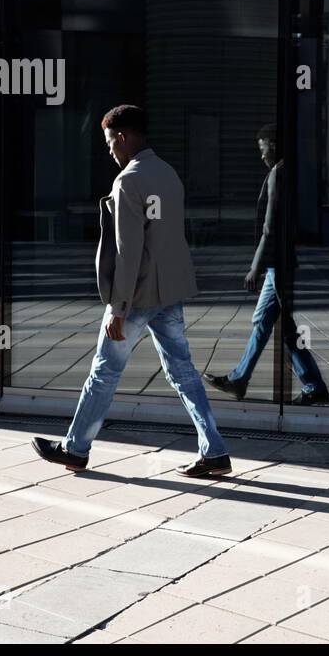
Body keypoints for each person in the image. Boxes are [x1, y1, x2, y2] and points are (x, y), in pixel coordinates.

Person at [31, 105, 231, 478]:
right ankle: (215, 451)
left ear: (122, 138)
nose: (109, 151)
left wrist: (118, 307)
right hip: (169, 291)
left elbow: (129, 250)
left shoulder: (128, 181)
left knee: (104, 372)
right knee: (183, 372)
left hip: (138, 295)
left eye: (110, 143)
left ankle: (75, 449)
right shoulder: (169, 174)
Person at [205, 124, 329, 405]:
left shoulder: (279, 173)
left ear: (273, 144)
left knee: (269, 322)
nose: (261, 157)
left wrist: (255, 266)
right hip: (283, 261)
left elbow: (269, 227)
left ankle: (243, 380)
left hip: (277, 263)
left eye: (262, 149)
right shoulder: (296, 171)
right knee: (277, 325)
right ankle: (310, 386)